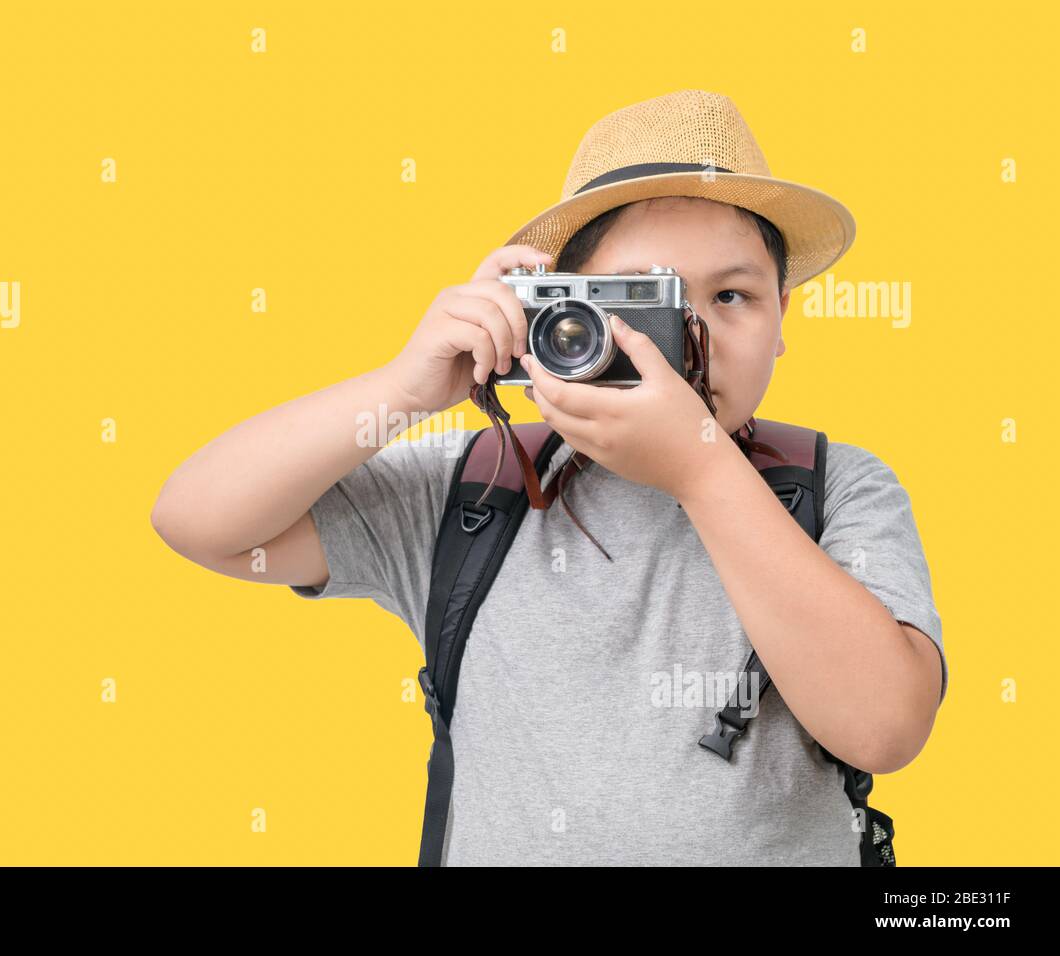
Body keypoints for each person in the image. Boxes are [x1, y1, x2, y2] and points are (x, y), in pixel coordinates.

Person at [150, 89, 947, 865]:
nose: (687, 337)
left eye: (732, 296)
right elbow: (198, 520)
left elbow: (883, 729)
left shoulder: (835, 485)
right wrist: (405, 388)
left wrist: (704, 469)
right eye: (643, 299)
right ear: (561, 317)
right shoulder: (474, 489)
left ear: (782, 327)